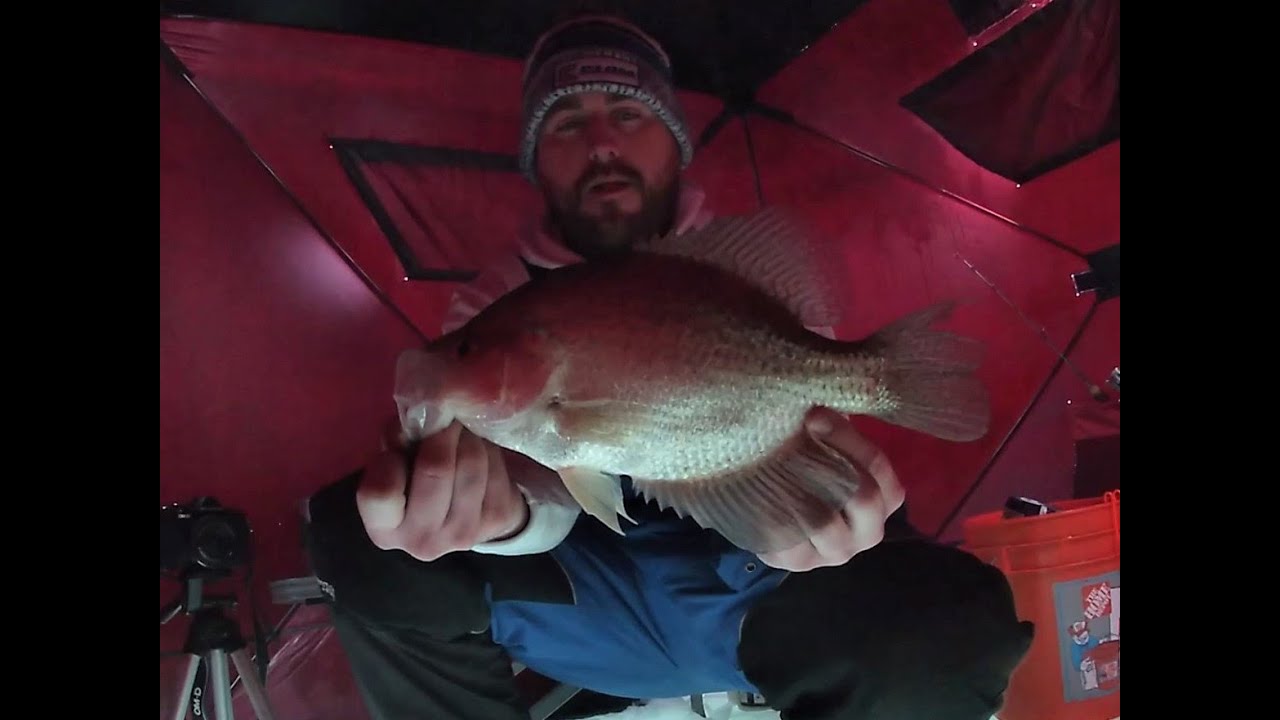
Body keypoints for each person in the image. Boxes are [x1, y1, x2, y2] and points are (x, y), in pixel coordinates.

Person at [302, 12, 1034, 720]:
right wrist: (498, 516)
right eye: (565, 123)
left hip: (762, 588)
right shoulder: (495, 305)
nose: (599, 144)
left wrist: (828, 513)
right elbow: (542, 482)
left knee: (947, 624)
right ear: (535, 160)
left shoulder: (737, 278)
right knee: (356, 533)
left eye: (627, 112)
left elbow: (796, 436)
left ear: (674, 141)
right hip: (592, 605)